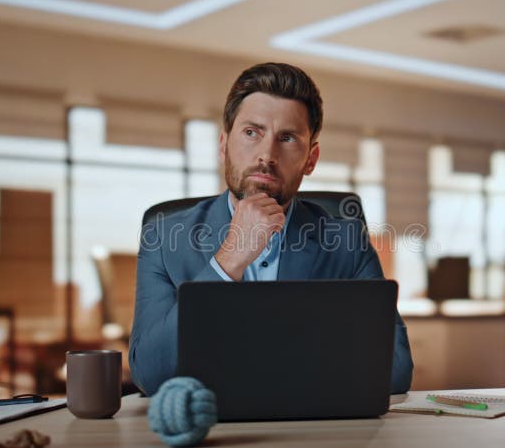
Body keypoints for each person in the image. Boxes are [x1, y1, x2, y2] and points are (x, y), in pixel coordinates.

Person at [129, 62, 413, 396]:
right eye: (252, 132)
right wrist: (228, 262)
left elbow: (393, 371)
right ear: (223, 145)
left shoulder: (348, 244)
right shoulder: (163, 238)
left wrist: (236, 367)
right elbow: (149, 374)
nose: (267, 154)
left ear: (311, 159)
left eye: (288, 138)